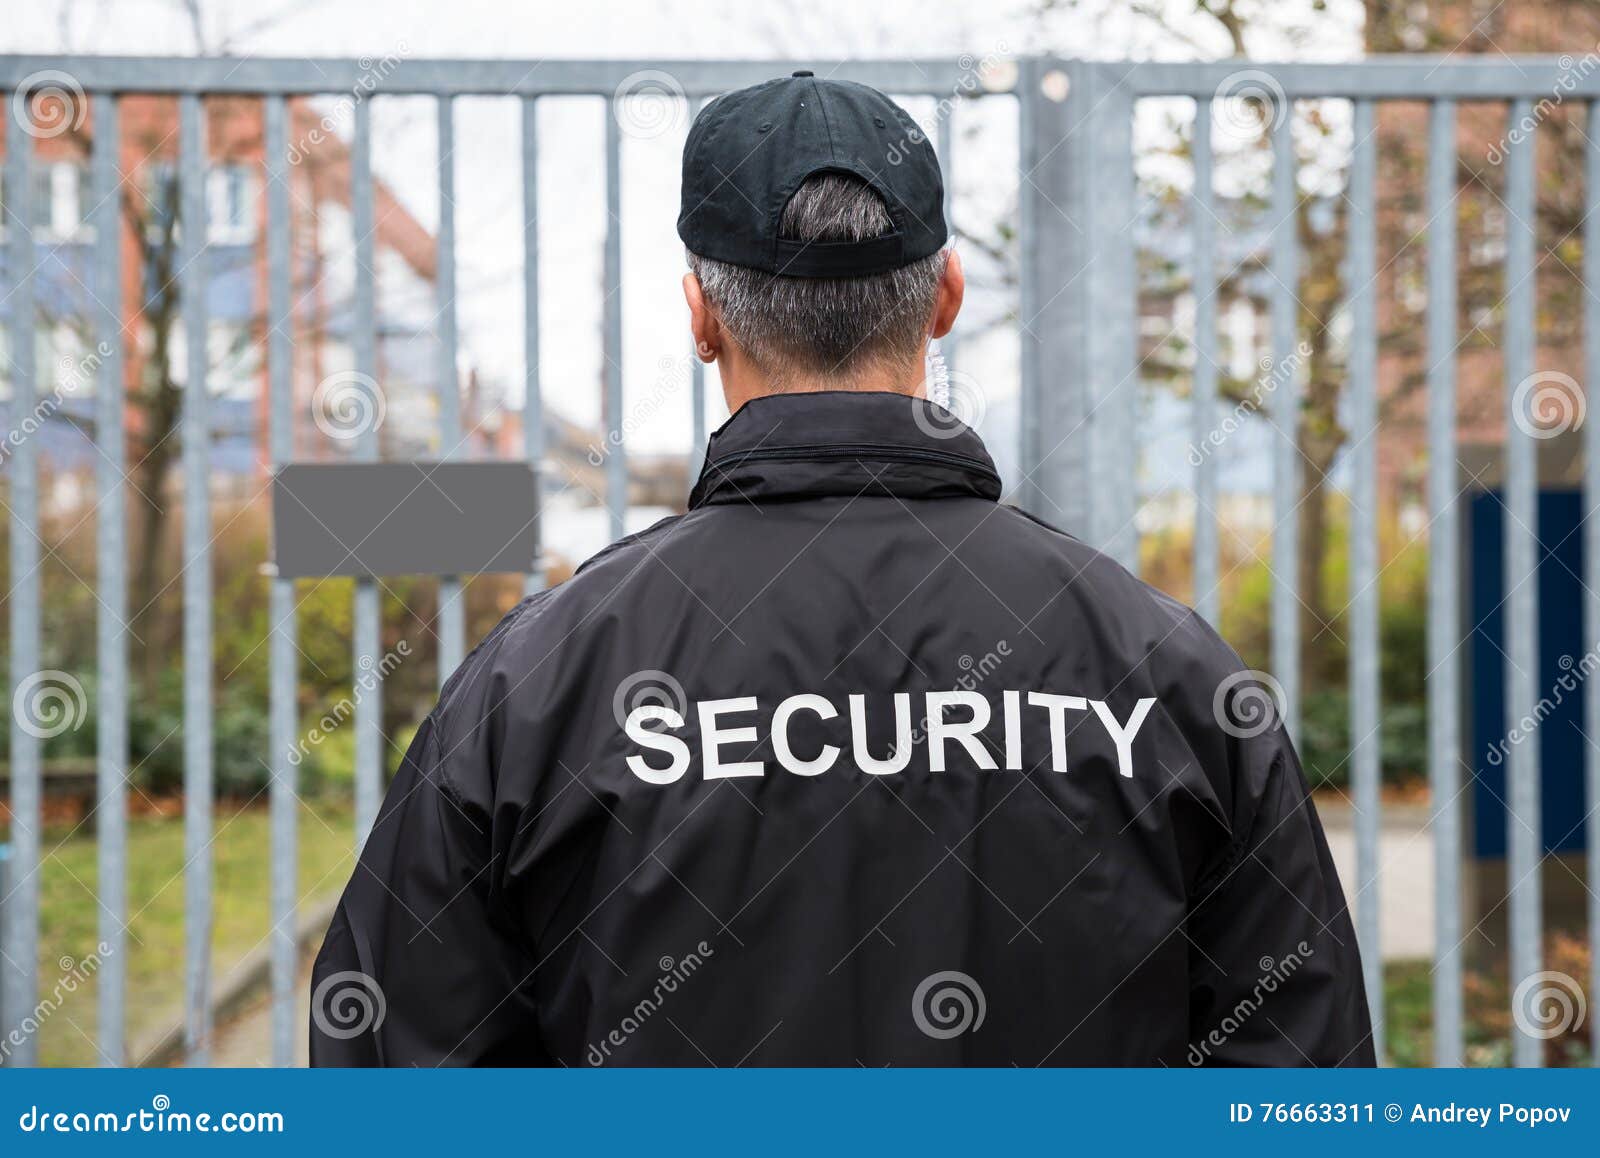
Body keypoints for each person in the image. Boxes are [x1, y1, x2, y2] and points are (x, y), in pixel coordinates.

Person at [311, 72, 1373, 1067]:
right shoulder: (1163, 668)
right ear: (946, 294)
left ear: (701, 316)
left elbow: (399, 1067)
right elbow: (1298, 1072)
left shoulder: (540, 682)